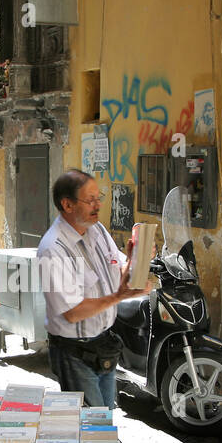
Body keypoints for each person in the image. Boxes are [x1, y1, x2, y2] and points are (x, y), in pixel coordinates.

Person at [37, 170, 151, 408]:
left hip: (103, 346)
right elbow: (73, 312)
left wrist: (134, 261)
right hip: (74, 353)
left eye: (99, 197)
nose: (98, 205)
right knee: (91, 427)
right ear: (67, 204)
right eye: (90, 200)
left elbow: (119, 271)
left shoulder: (97, 230)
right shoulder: (53, 249)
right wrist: (118, 297)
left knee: (105, 416)